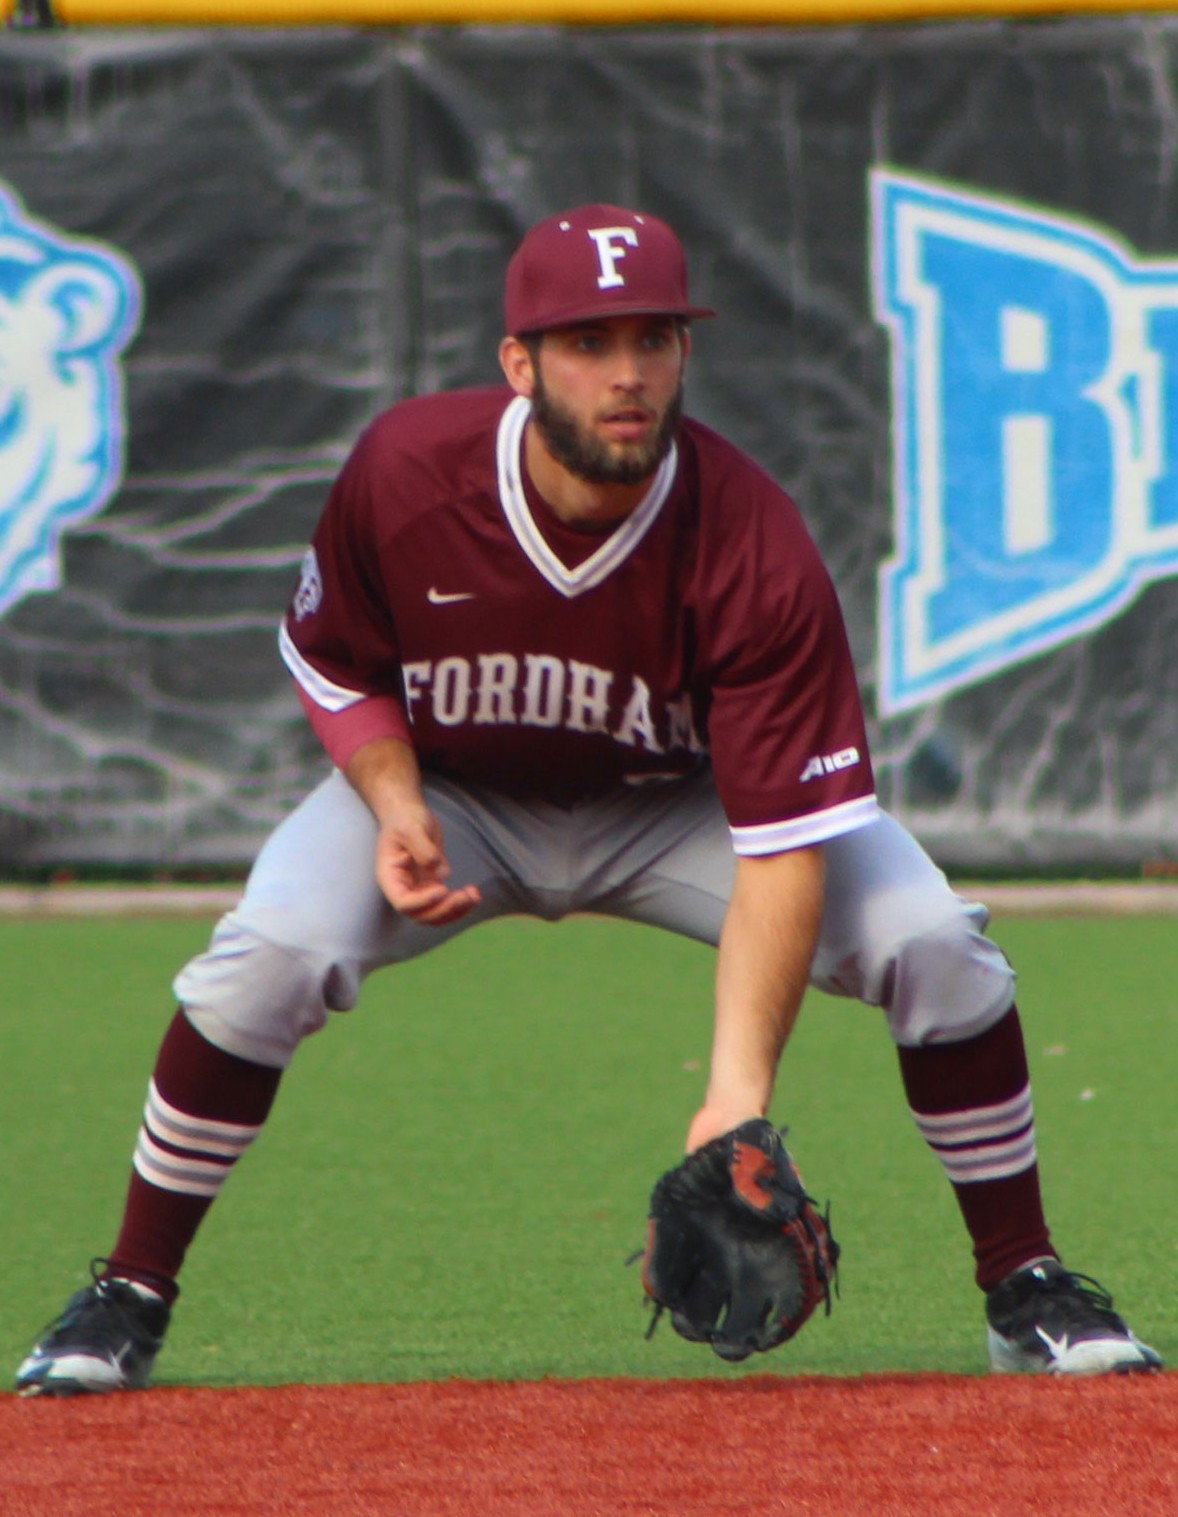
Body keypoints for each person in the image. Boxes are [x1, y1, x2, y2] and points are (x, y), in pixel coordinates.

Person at [16, 203, 1161, 1395]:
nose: (625, 374)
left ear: (684, 352)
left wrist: (732, 1101)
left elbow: (780, 842)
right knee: (266, 955)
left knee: (932, 943)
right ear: (517, 364)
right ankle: (128, 1291)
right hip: (457, 797)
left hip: (678, 806)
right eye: (585, 342)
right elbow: (337, 662)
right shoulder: (405, 475)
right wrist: (393, 798)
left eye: (651, 338)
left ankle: (1024, 1281)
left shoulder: (750, 538)